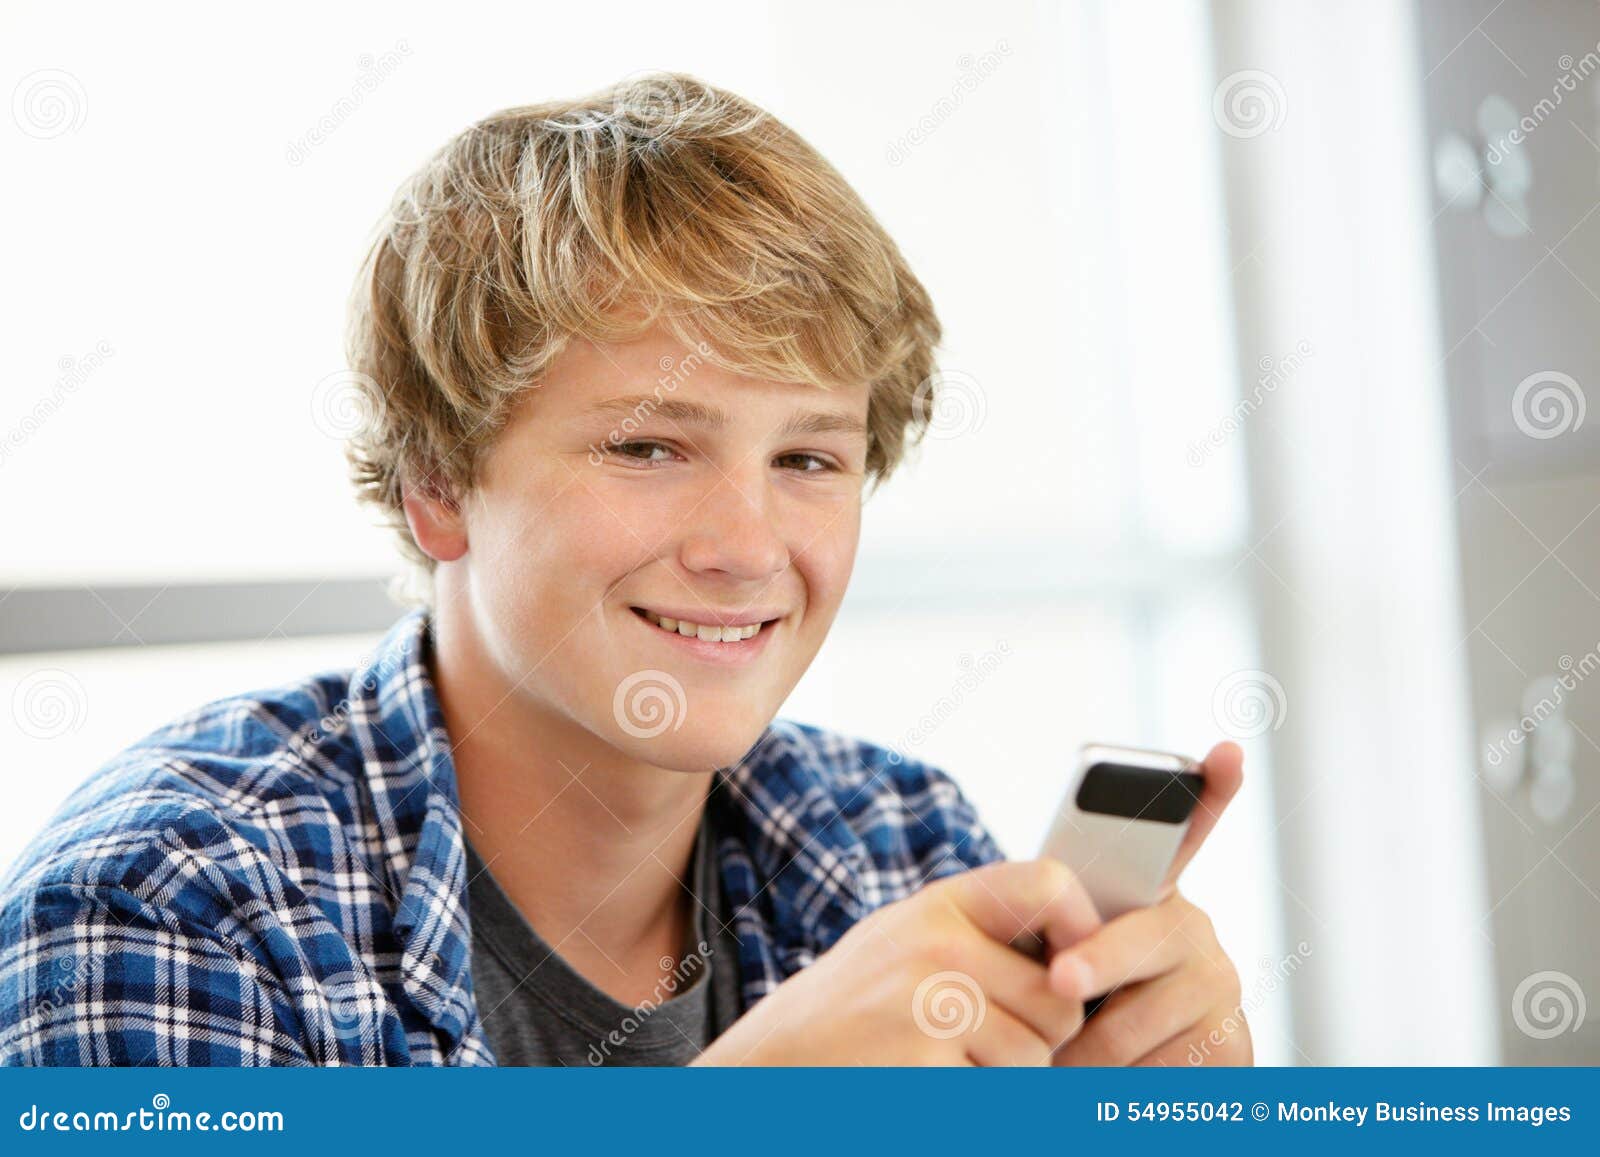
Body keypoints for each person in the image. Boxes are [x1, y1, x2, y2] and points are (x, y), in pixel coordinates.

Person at [0, 74, 1249, 1067]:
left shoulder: (893, 845)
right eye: (649, 446)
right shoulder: (164, 911)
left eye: (808, 458)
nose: (749, 546)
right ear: (439, 484)